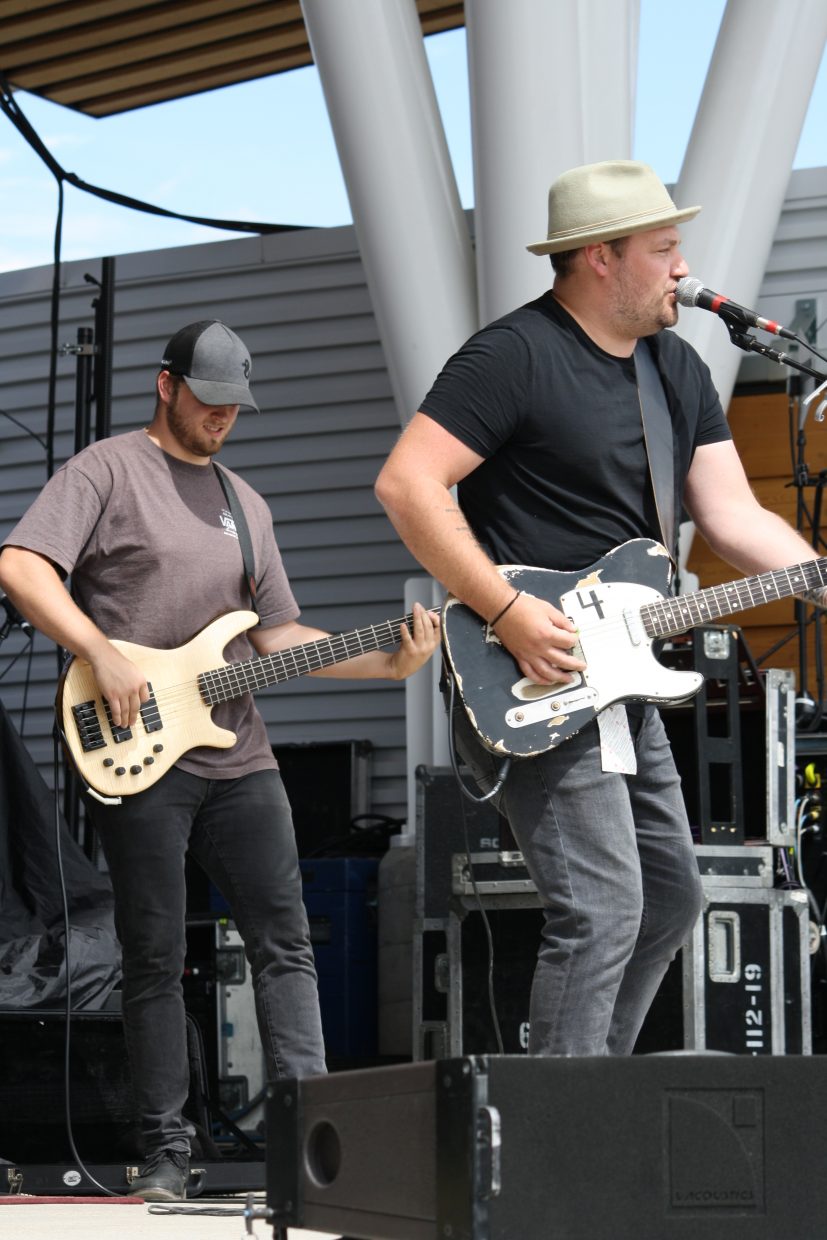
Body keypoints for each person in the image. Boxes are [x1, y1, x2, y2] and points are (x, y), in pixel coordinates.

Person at [375, 159, 824, 1059]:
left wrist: (813, 573)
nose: (682, 268)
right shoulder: (511, 356)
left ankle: (589, 1090)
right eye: (662, 249)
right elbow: (406, 484)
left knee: (669, 898)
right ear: (598, 258)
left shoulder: (673, 369)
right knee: (604, 904)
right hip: (534, 668)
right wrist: (506, 609)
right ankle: (559, 1122)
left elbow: (731, 516)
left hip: (621, 673)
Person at [0, 319, 439, 1201]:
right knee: (154, 952)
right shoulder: (104, 471)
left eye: (235, 406)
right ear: (166, 386)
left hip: (239, 754)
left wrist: (386, 662)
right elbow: (20, 566)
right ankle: (165, 1153)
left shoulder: (247, 505)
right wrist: (101, 651)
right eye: (209, 402)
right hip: (136, 747)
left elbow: (275, 634)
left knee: (286, 942)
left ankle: (315, 1140)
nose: (223, 419)